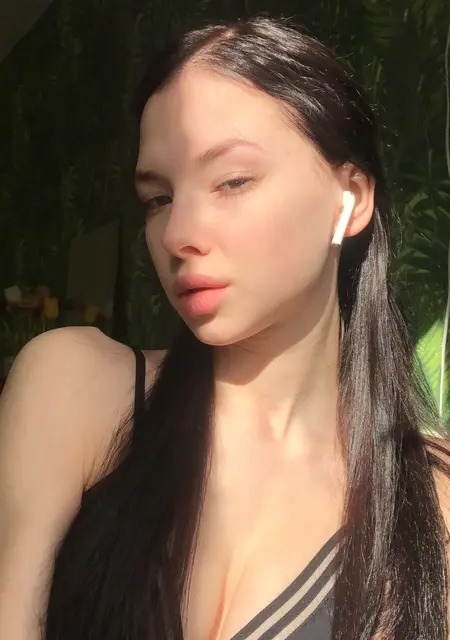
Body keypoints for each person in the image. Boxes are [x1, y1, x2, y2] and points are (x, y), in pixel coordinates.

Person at [1, 14, 450, 640]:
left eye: (233, 181)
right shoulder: (79, 389)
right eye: (159, 199)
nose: (179, 235)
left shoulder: (429, 500)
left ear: (350, 198)